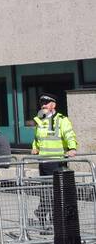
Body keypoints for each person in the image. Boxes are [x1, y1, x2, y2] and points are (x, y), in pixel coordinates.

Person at [31, 93, 79, 228]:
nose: (43, 105)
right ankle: (44, 215)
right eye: (42, 103)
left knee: (57, 192)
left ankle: (51, 217)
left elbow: (69, 134)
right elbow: (37, 139)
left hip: (58, 162)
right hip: (44, 162)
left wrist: (72, 148)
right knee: (46, 192)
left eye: (46, 103)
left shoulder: (62, 120)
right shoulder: (40, 121)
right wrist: (34, 148)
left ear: (54, 105)